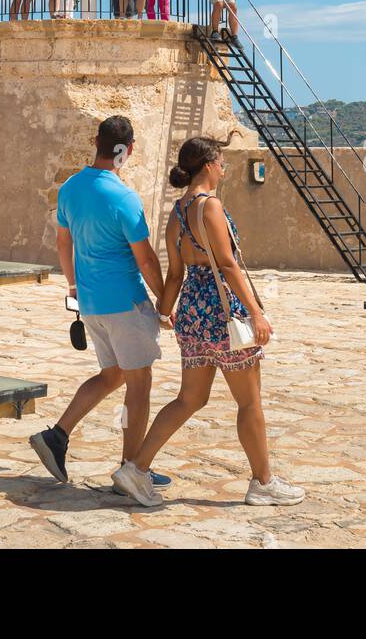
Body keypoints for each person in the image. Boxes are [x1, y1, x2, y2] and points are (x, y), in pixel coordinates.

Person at [112, 137, 305, 509]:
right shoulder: (209, 206)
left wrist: (165, 311)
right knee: (249, 402)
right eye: (221, 163)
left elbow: (175, 274)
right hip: (222, 312)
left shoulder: (178, 212)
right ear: (208, 165)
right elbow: (229, 265)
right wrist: (256, 313)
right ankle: (263, 483)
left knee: (189, 399)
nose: (224, 169)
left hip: (193, 312)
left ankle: (136, 468)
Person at [29, 115, 171, 493]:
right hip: (125, 302)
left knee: (113, 376)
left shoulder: (70, 188)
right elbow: (145, 259)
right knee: (139, 386)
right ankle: (131, 470)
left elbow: (64, 243)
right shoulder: (123, 197)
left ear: (97, 141)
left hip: (91, 302)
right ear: (129, 150)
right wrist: (164, 302)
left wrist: (73, 287)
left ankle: (56, 435)